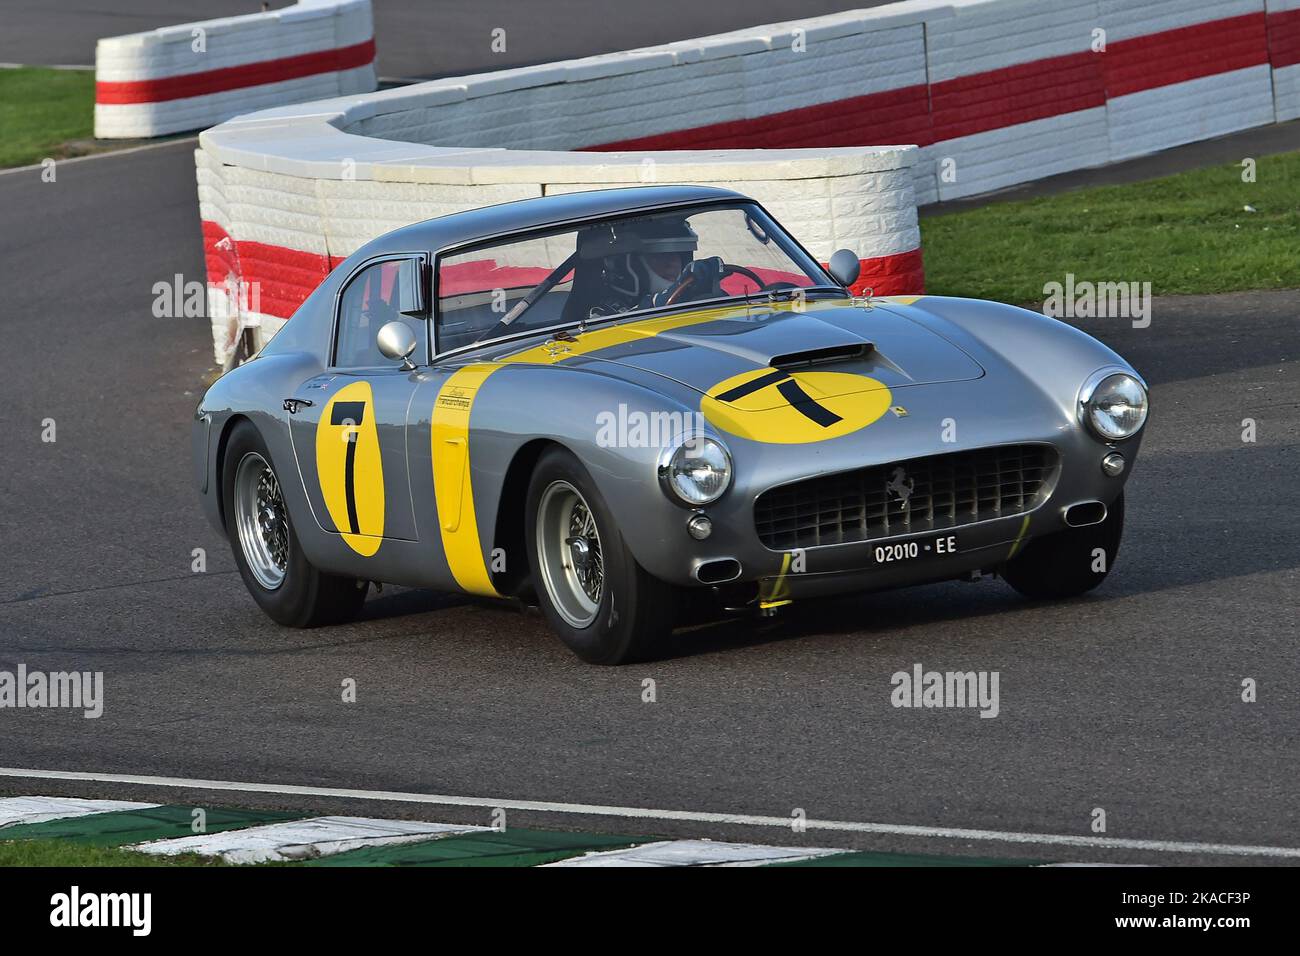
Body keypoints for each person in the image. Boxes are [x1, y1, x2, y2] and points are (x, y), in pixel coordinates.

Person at [569, 216, 725, 319]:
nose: (673, 262)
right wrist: (658, 303)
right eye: (659, 255)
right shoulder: (601, 311)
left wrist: (713, 290)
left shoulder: (690, 295)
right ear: (623, 265)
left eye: (678, 253)